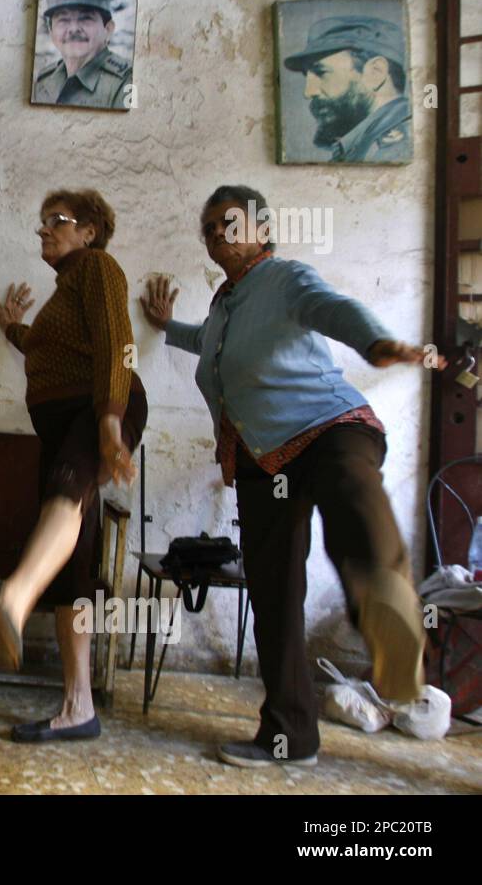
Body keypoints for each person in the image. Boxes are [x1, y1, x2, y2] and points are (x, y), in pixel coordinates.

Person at [140, 183, 433, 767]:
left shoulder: (285, 278)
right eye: (210, 229)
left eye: (230, 223)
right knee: (274, 592)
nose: (218, 235)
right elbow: (208, 343)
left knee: (352, 494)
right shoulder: (225, 308)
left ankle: (385, 606)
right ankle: (289, 735)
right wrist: (168, 326)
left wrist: (376, 342)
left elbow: (332, 308)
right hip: (261, 457)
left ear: (261, 230)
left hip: (329, 427)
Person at [0, 189, 145, 742]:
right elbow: (49, 350)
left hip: (100, 408)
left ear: (89, 231)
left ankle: (12, 600)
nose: (43, 230)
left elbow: (117, 343)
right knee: (71, 568)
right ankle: (78, 707)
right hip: (68, 425)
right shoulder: (63, 294)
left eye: (56, 221)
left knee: (65, 495)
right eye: (40, 223)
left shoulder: (98, 267)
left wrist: (110, 426)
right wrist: (14, 330)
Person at [283, 15, 411, 162]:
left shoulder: (394, 152)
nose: (308, 92)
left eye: (321, 72)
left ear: (376, 72)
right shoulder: (363, 146)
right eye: (307, 76)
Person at [32, 0, 131, 109]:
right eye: (63, 20)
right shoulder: (44, 80)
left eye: (85, 18)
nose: (73, 29)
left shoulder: (127, 81)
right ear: (51, 32)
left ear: (107, 29)